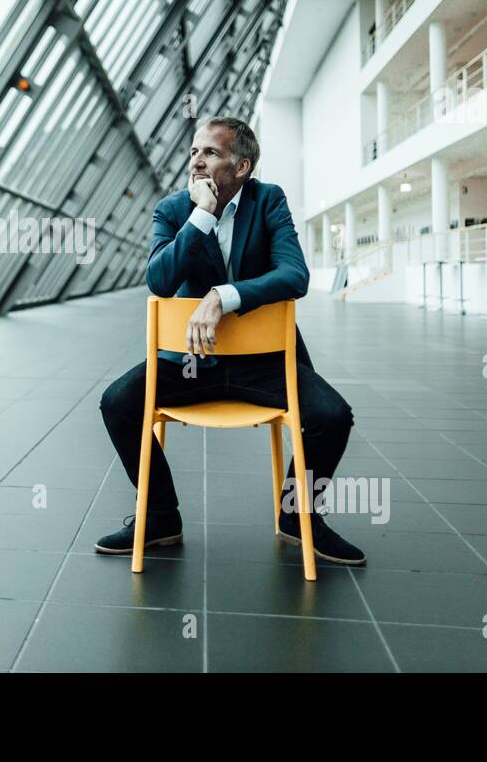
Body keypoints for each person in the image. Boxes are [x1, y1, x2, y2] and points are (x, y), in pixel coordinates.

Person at [95, 115, 365, 565]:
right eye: (195, 152)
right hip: (191, 363)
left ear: (242, 167)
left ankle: (297, 517)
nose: (196, 161)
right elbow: (159, 281)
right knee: (119, 401)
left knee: (332, 416)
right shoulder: (174, 209)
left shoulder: (268, 201)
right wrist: (201, 217)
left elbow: (295, 274)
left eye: (211, 153)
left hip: (263, 363)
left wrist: (225, 296)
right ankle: (161, 516)